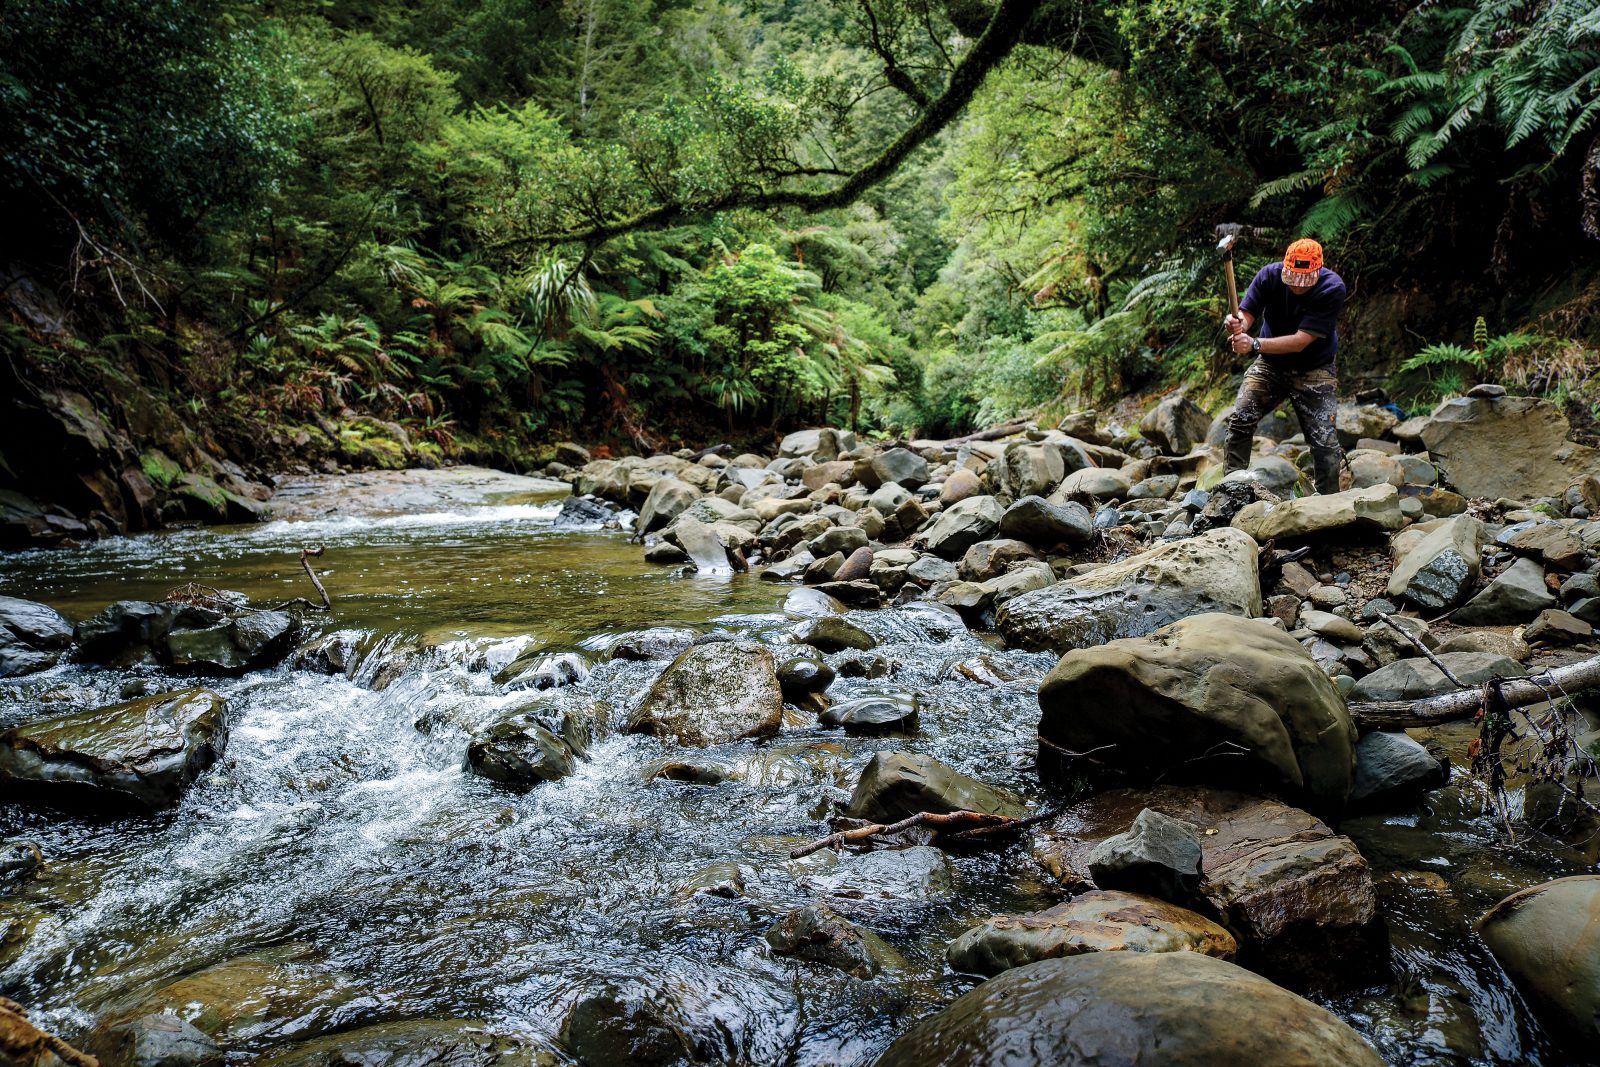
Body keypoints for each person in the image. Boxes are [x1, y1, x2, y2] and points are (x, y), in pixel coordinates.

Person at [1223, 238, 1347, 495]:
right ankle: (1231, 491)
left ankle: (1330, 504)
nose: (1297, 288)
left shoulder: (1331, 288)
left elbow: (1301, 341)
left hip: (1315, 370)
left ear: (1317, 272)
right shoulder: (1269, 276)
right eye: (1292, 280)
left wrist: (1254, 344)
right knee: (1241, 418)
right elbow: (1245, 315)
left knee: (1325, 444)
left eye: (1304, 282)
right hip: (1271, 365)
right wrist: (1237, 325)